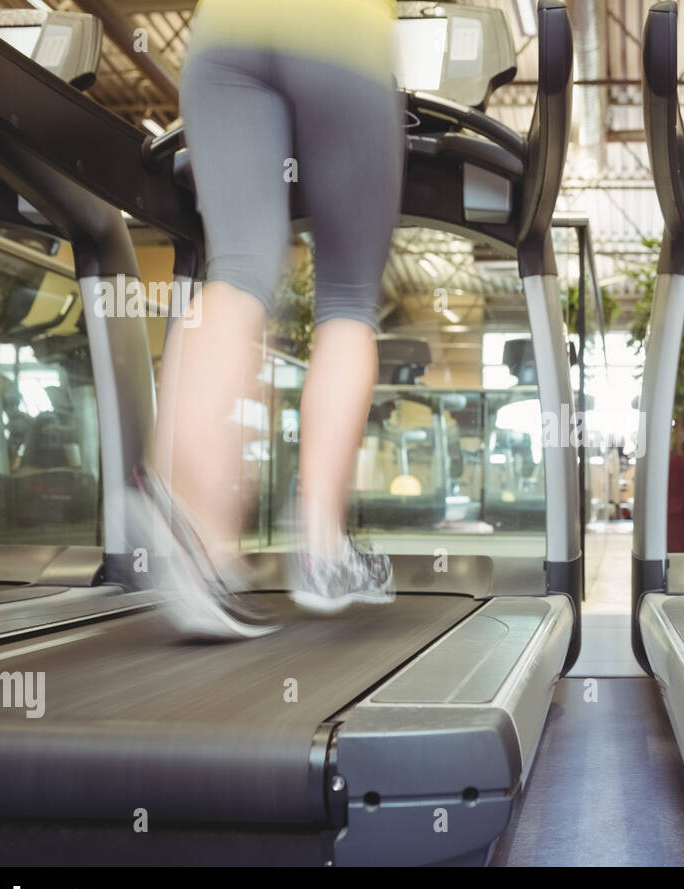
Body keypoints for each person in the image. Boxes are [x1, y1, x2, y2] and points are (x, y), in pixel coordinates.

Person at [139, 0, 404, 637]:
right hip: (344, 37)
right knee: (346, 303)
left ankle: (197, 535)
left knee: (236, 273)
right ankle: (319, 549)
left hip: (224, 36)